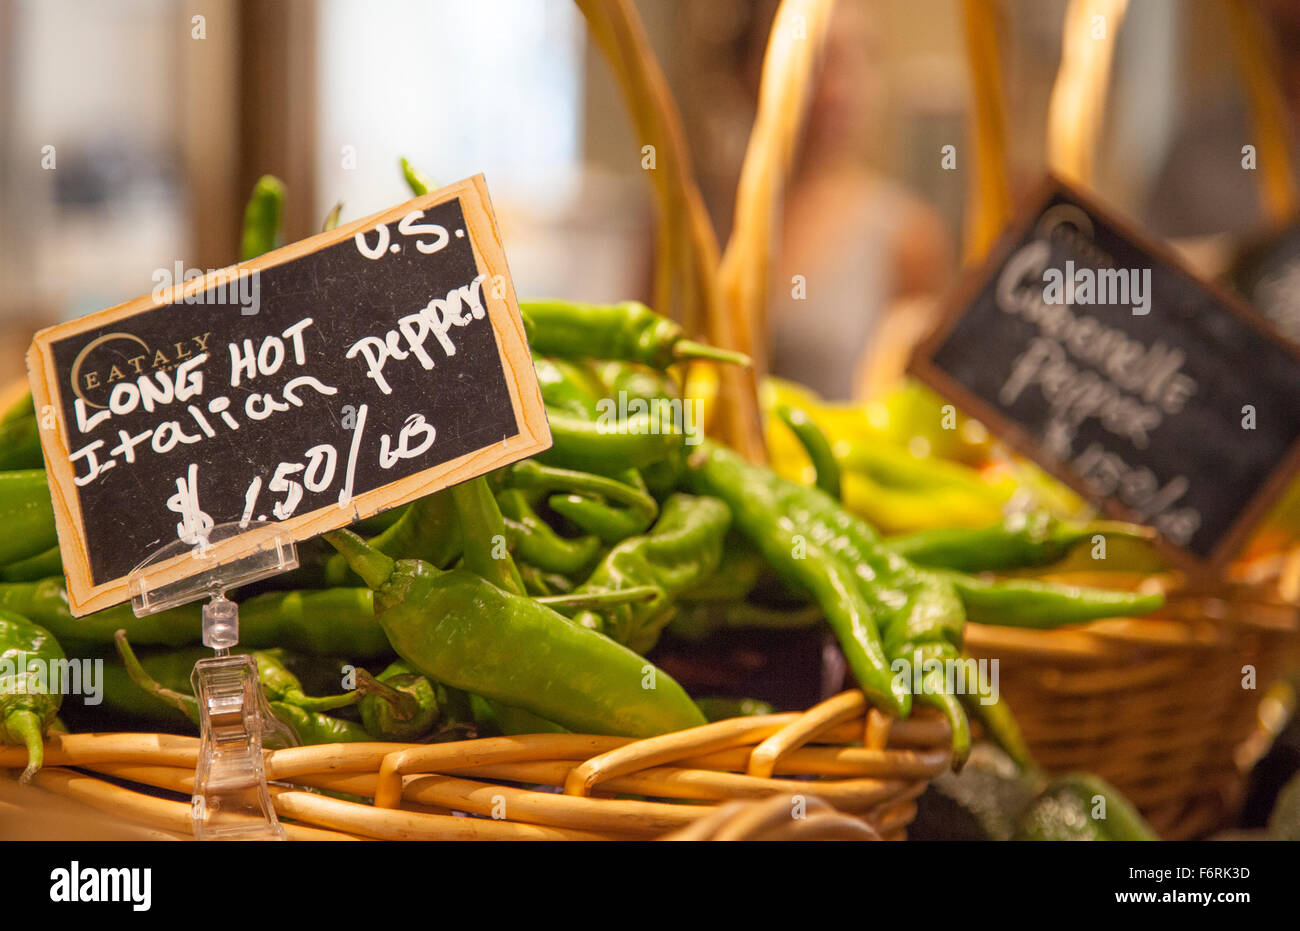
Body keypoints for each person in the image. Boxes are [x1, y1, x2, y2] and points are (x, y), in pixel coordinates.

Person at [766, 0, 954, 400]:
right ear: (762, 67)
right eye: (821, 61)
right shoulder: (706, 216)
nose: (840, 88)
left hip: (837, 459)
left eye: (859, 59)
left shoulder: (907, 234)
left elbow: (915, 398)